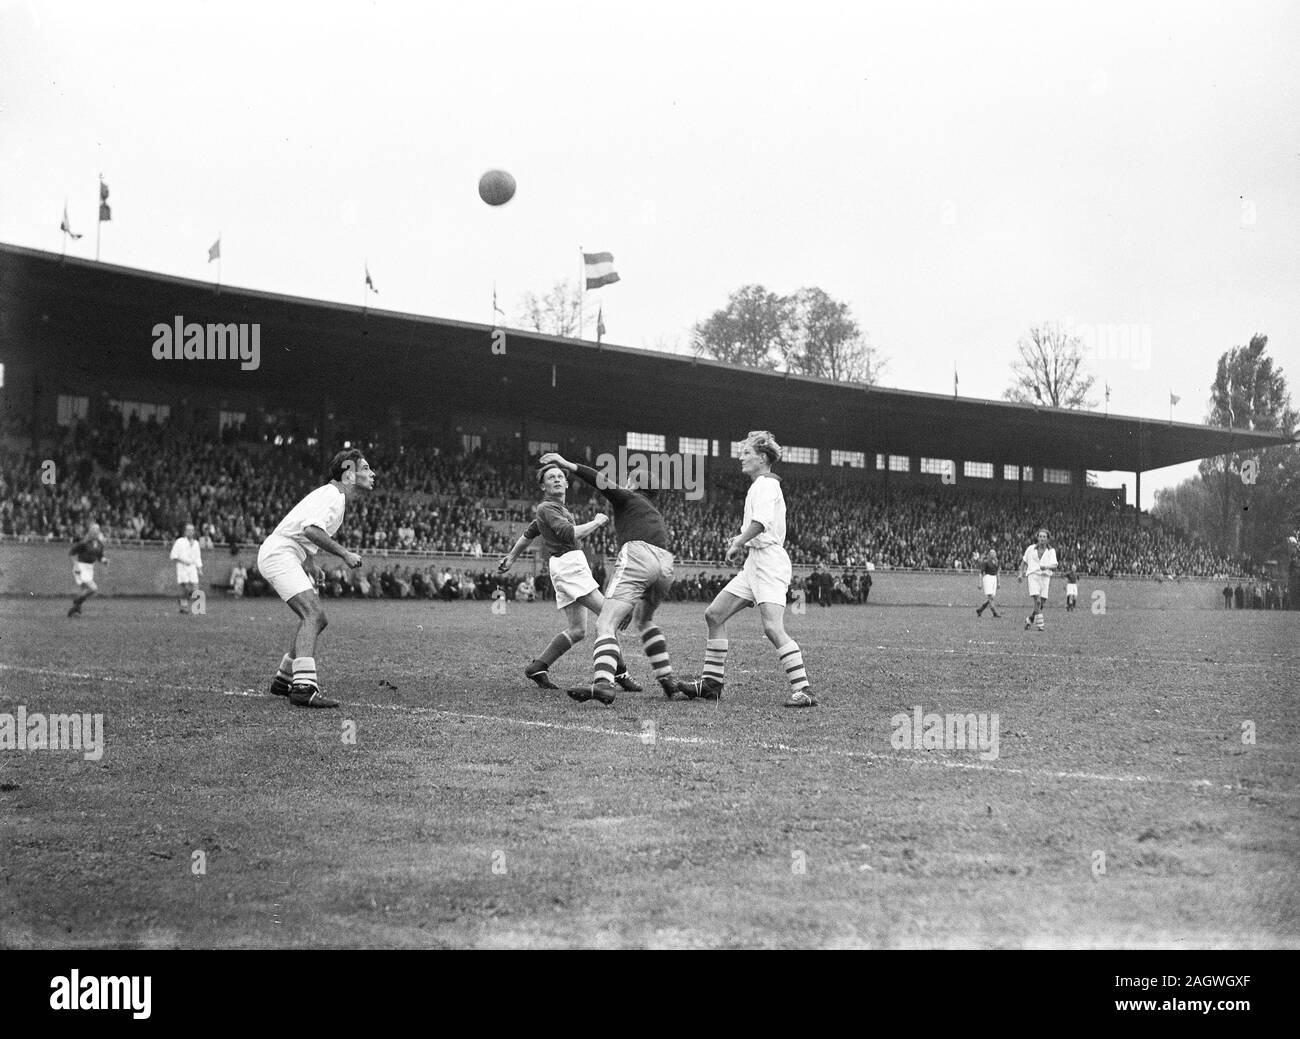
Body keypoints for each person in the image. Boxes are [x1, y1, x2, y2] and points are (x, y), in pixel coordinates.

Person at [676, 431, 816, 708]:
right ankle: (711, 685)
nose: (741, 457)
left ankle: (804, 690)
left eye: (747, 453)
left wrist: (739, 541)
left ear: (762, 458)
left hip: (769, 563)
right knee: (714, 614)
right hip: (754, 563)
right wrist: (742, 541)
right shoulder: (760, 485)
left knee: (773, 627)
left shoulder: (766, 484)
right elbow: (758, 526)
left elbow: (761, 522)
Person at [535, 451, 683, 705]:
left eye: (628, 480)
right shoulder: (653, 512)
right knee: (645, 622)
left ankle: (604, 682)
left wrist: (567, 463)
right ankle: (668, 681)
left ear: (633, 485)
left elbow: (598, 480)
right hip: (665, 562)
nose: (623, 484)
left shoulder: (629, 497)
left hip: (638, 554)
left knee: (605, 623)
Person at [497, 463, 637, 694]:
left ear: (567, 483)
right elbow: (570, 533)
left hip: (566, 565)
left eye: (560, 476)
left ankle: (538, 666)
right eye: (551, 477)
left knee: (577, 630)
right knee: (608, 616)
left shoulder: (553, 510)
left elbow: (528, 534)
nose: (557, 479)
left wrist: (511, 557)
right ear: (543, 486)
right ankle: (620, 673)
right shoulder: (547, 508)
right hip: (569, 565)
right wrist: (597, 521)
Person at [256, 449, 374, 708]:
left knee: (315, 618)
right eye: (365, 468)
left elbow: (301, 529)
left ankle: (285, 679)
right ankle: (303, 688)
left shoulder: (331, 495)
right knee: (314, 615)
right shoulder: (333, 495)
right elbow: (310, 529)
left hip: (285, 552)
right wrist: (344, 554)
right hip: (280, 553)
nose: (371, 473)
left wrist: (310, 563)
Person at [1018, 528, 1057, 631]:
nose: (1042, 539)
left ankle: (1030, 619)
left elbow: (1055, 566)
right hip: (1033, 575)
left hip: (1045, 577)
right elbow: (1024, 561)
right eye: (1040, 536)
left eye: (1044, 537)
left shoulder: (1051, 551)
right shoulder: (1031, 549)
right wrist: (1020, 574)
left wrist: (1046, 567)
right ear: (1037, 538)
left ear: (1048, 539)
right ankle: (1040, 625)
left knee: (1041, 603)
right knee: (1038, 601)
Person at [67, 522, 108, 617]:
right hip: (81, 567)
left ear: (98, 532)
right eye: (93, 529)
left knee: (84, 589)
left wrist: (104, 560)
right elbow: (71, 553)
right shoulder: (84, 543)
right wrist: (76, 566)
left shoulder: (100, 544)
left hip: (90, 568)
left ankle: (75, 609)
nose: (94, 532)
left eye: (96, 530)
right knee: (93, 589)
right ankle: (77, 602)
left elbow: (100, 557)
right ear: (90, 531)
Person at [169, 522, 204, 614]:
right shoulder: (179, 542)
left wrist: (199, 569)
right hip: (182, 568)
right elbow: (173, 556)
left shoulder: (196, 543)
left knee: (196, 587)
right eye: (189, 530)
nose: (191, 532)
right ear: (185, 532)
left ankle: (198, 608)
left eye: (192, 530)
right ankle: (183, 607)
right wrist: (183, 561)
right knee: (186, 588)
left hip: (192, 568)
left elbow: (198, 557)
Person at [975, 549, 1001, 617]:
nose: (993, 554)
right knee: (990, 597)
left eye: (994, 552)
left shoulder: (997, 562)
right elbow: (980, 573)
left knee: (991, 598)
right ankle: (995, 612)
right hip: (988, 578)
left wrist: (998, 582)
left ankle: (980, 610)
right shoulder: (986, 562)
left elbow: (997, 572)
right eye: (991, 553)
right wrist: (980, 583)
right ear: (989, 554)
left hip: (994, 579)